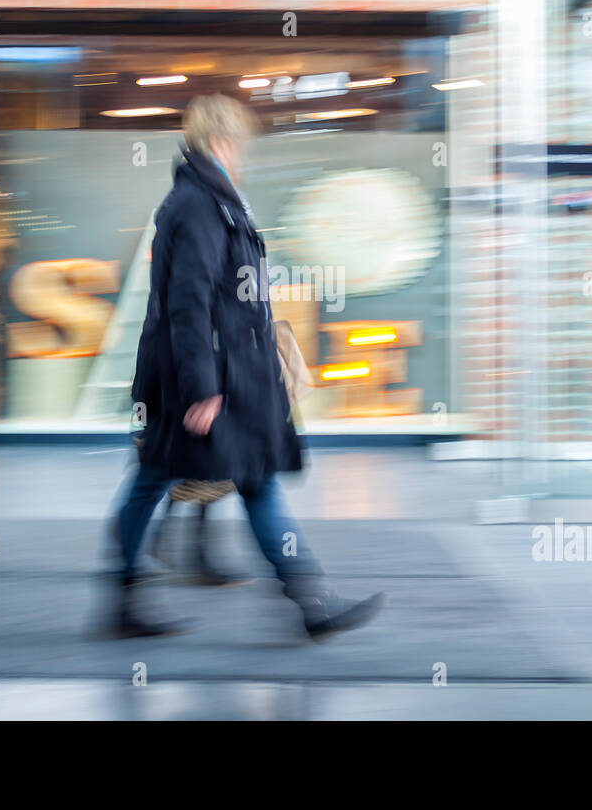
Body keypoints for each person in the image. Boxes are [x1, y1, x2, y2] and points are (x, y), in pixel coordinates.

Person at [110, 94, 386, 640]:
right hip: (204, 380)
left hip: (229, 375)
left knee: (248, 481)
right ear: (220, 142)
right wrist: (202, 389)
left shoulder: (215, 202)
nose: (242, 157)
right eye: (238, 145)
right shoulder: (196, 206)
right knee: (156, 482)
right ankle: (127, 596)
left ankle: (311, 599)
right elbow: (189, 302)